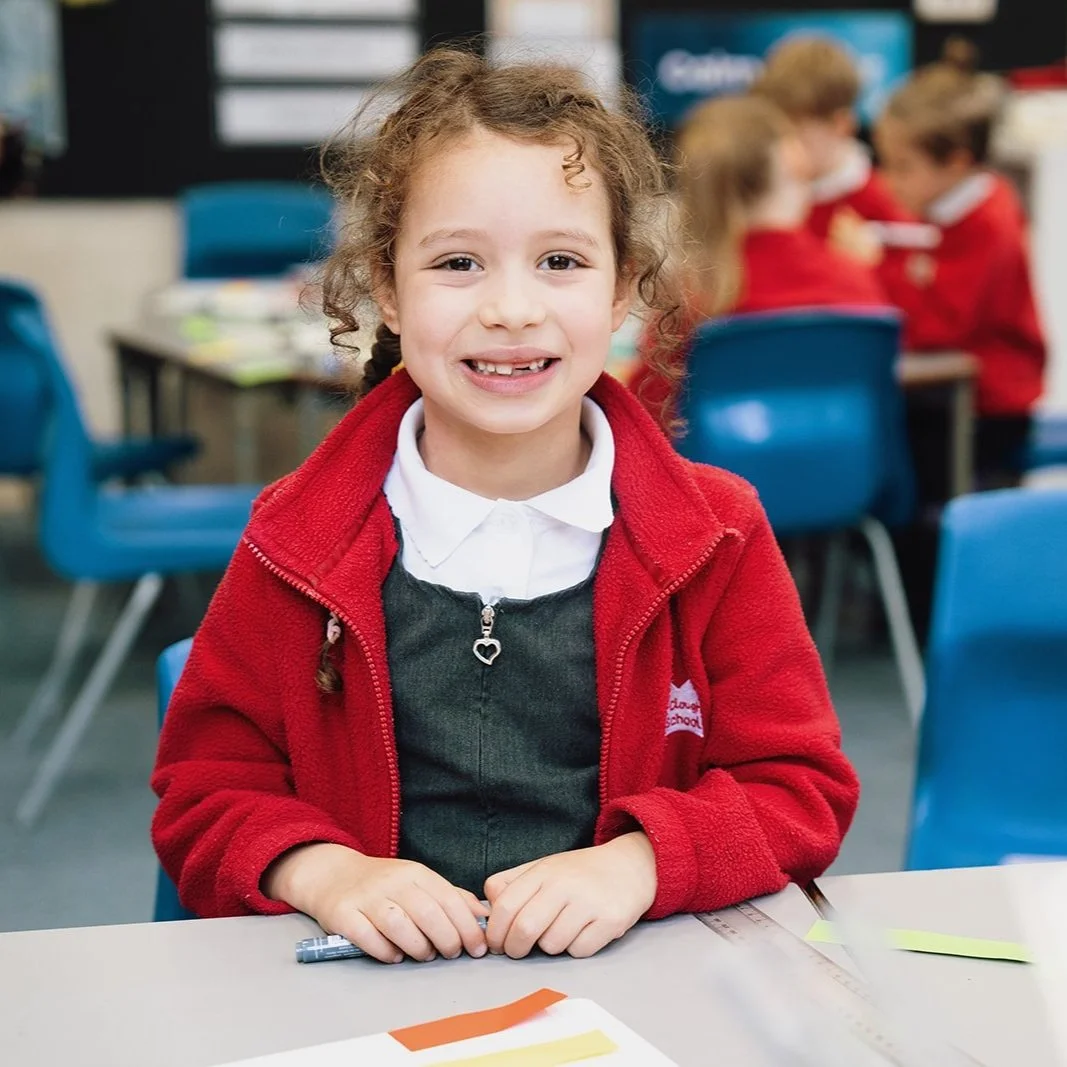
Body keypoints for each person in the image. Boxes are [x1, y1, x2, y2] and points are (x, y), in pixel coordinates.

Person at [151, 48, 859, 966]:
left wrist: (641, 862)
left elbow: (798, 788)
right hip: (372, 996)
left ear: (620, 288)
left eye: (560, 261)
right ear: (386, 289)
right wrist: (325, 873)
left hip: (633, 989)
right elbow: (204, 793)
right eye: (458, 262)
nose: (512, 308)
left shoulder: (716, 531)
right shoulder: (298, 534)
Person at [629, 94, 889, 430]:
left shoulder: (690, 299)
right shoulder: (852, 281)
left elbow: (643, 414)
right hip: (843, 462)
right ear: (794, 160)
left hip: (712, 464)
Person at [872, 56, 1046, 490]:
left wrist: (876, 264)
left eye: (903, 167)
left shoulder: (986, 222)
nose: (888, 181)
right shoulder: (946, 209)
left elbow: (938, 327)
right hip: (959, 397)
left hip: (990, 408)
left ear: (956, 162)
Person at [752, 35, 912, 242]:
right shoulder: (758, 200)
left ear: (841, 125)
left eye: (795, 136)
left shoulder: (886, 204)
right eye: (776, 136)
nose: (785, 150)